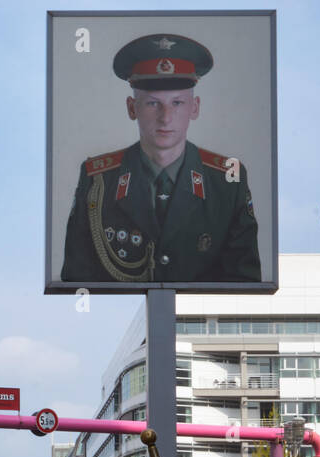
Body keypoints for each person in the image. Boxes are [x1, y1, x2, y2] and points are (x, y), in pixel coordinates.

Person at [60, 33, 260, 284]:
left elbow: (244, 286)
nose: (166, 118)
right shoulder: (98, 179)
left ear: (194, 107)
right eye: (153, 104)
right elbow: (77, 280)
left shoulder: (228, 180)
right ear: (132, 108)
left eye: (177, 103)